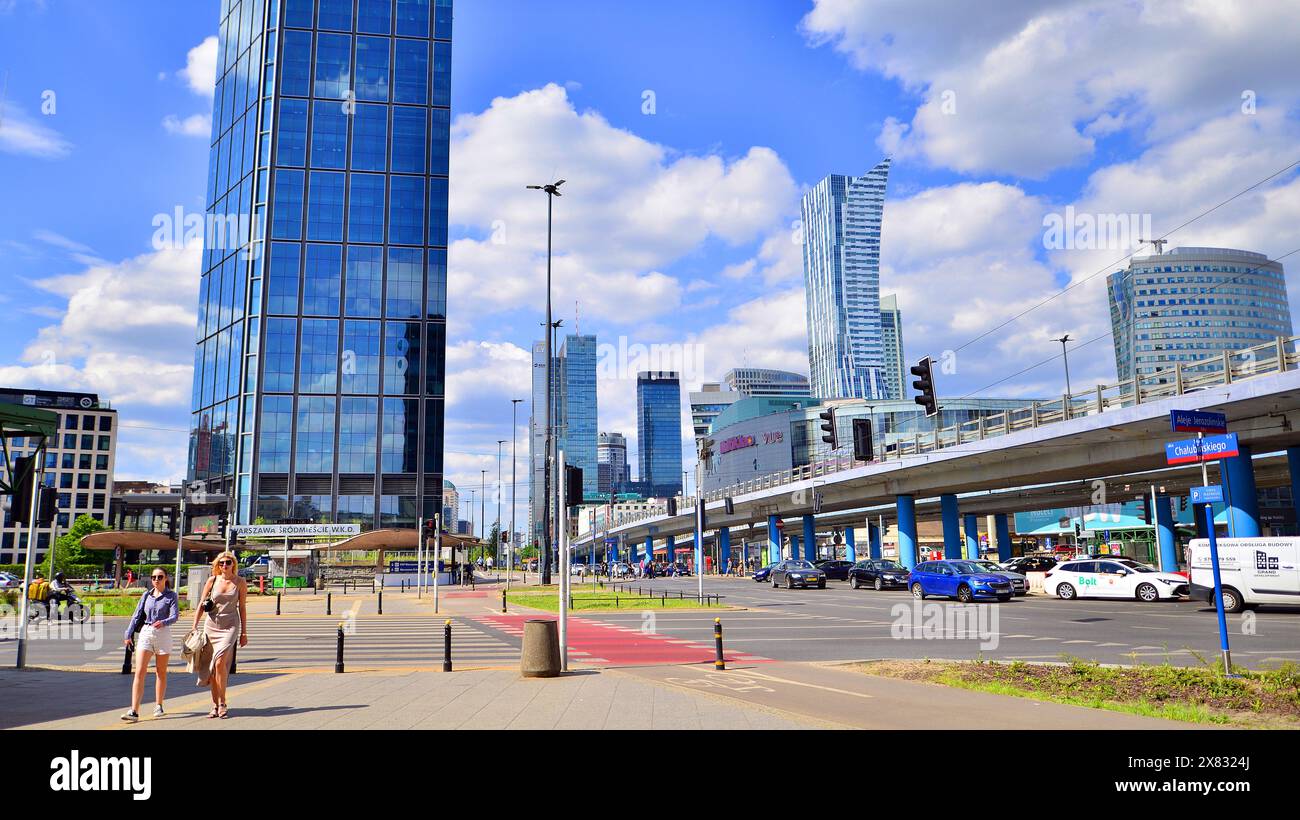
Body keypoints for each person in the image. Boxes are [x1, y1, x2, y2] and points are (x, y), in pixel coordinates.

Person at [190, 551, 247, 719]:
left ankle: (222, 703)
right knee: (213, 667)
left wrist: (244, 632)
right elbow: (201, 603)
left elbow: (242, 608)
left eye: (228, 562)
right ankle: (215, 705)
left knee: (220, 661)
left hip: (230, 626)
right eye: (221, 563)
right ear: (217, 565)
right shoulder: (212, 580)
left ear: (233, 565)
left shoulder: (240, 582)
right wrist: (194, 626)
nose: (224, 565)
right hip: (211, 625)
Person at [121, 568, 179, 722]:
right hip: (147, 632)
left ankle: (159, 704)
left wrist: (164, 622)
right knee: (140, 671)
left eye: (160, 577)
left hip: (163, 633)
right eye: (154, 577)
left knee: (161, 671)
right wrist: (128, 633)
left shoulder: (171, 596)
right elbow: (137, 615)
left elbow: (175, 616)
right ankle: (134, 710)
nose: (156, 579)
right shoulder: (147, 595)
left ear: (166, 578)